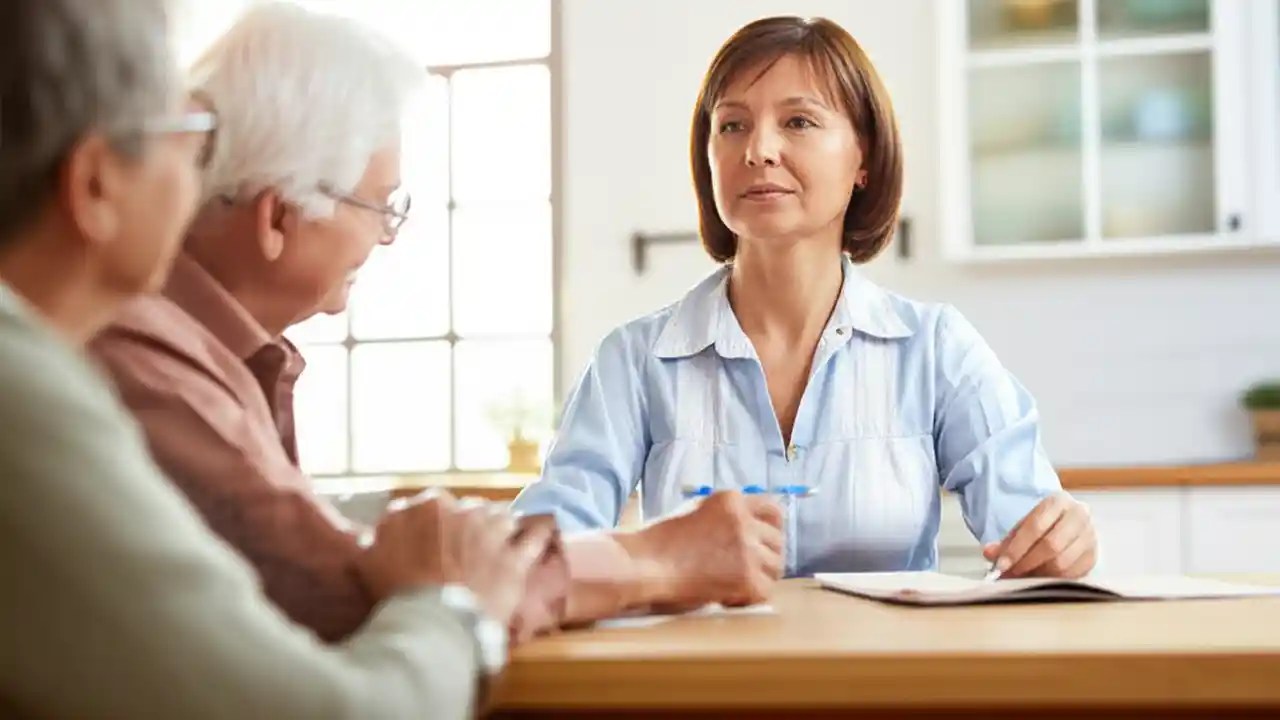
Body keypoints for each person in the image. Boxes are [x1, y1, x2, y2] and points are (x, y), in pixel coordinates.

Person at [88, 1, 783, 647]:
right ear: (278, 216)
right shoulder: (147, 356)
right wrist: (653, 561)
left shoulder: (223, 354)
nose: (387, 238)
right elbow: (342, 591)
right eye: (381, 206)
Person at [0, 0, 553, 717]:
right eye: (190, 132)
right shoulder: (27, 391)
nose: (209, 171)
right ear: (96, 183)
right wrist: (453, 609)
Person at [512, 16, 1098, 580]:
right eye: (732, 125)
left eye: (798, 122)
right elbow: (541, 550)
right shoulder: (632, 361)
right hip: (699, 680)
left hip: (887, 680)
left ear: (863, 157)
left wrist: (1059, 541)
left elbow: (1031, 534)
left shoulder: (939, 350)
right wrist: (652, 559)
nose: (758, 150)